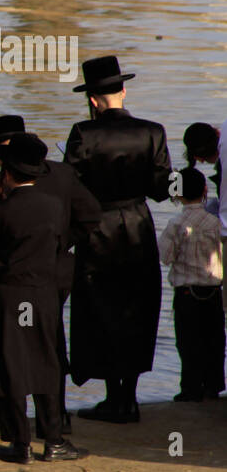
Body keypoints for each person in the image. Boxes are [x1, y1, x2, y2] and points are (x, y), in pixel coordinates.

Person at [64, 56, 172, 424]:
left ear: (92, 99)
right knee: (137, 306)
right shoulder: (153, 131)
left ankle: (114, 399)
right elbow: (161, 189)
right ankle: (130, 398)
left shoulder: (83, 133)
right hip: (139, 226)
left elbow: (70, 188)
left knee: (102, 307)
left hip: (99, 229)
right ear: (123, 90)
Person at [0, 115, 100, 438]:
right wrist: (59, 244)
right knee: (50, 347)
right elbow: (90, 215)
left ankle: (12, 429)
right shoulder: (62, 174)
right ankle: (55, 422)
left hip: (16, 279)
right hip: (55, 274)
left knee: (13, 351)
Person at [158, 167, 225, 402]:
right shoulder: (217, 223)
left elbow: (165, 256)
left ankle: (191, 387)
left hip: (187, 292)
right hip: (214, 291)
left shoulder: (176, 223)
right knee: (214, 339)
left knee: (188, 342)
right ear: (205, 190)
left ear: (176, 194)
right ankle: (214, 384)